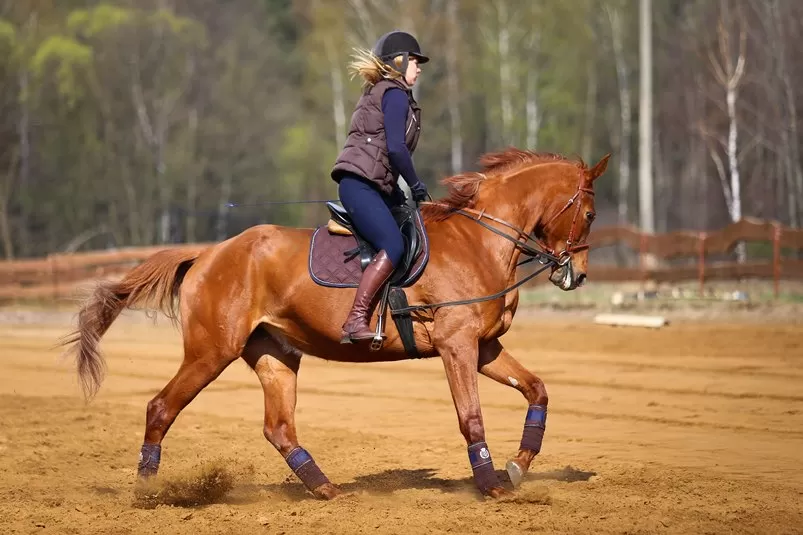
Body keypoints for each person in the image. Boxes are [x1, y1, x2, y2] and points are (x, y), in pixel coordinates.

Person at [330, 30, 430, 344]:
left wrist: (398, 193)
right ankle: (355, 319)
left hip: (373, 187)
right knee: (394, 245)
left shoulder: (388, 92)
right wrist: (415, 185)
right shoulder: (395, 94)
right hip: (361, 187)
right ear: (399, 62)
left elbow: (384, 157)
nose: (419, 67)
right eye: (415, 61)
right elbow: (397, 150)